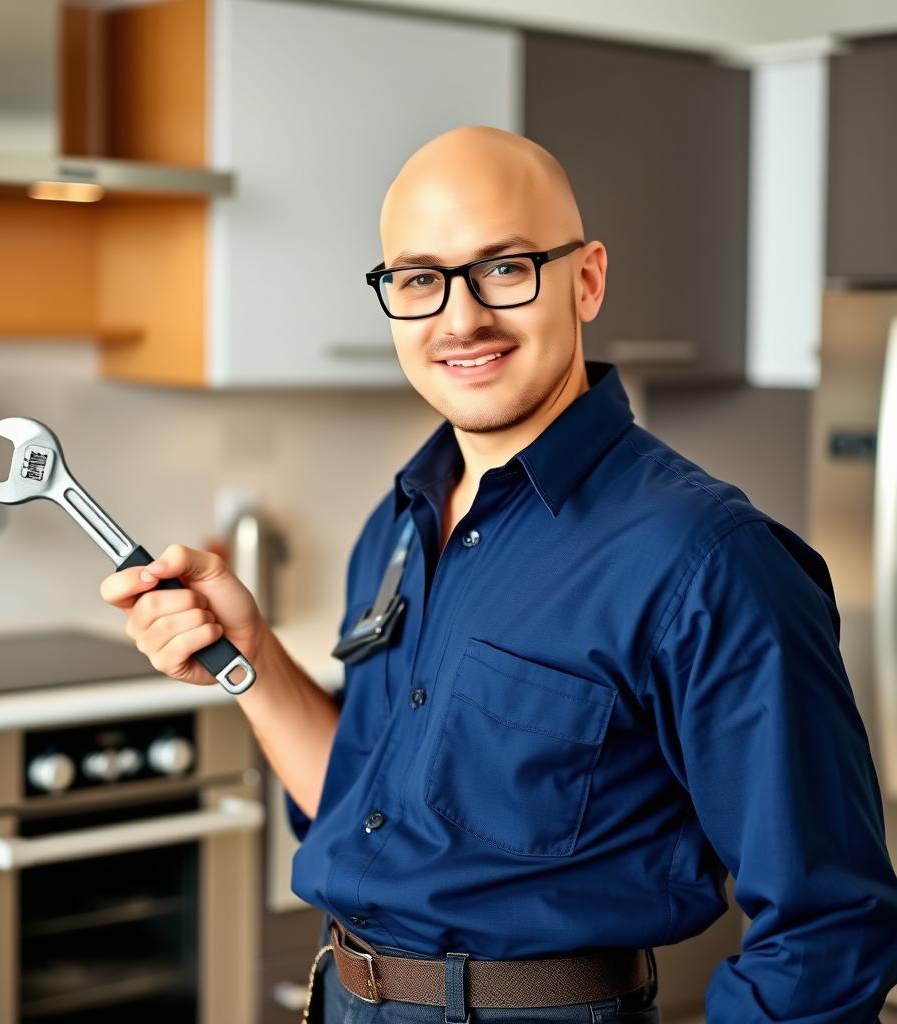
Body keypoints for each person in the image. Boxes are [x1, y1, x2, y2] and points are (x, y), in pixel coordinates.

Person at [99, 126, 897, 1022]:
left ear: (586, 280)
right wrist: (248, 652)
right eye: (419, 279)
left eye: (505, 268)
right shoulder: (401, 521)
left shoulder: (708, 559)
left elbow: (829, 932)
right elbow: (365, 808)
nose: (460, 319)